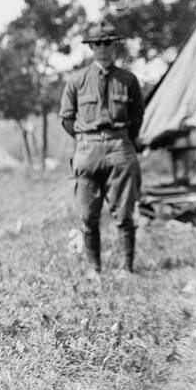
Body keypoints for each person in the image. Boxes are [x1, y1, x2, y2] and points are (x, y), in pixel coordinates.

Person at [59, 18, 145, 276]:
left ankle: (126, 269)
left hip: (120, 147)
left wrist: (122, 140)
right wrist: (85, 141)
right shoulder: (77, 80)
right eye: (96, 43)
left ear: (114, 46)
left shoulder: (128, 80)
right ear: (90, 47)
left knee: (124, 213)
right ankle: (94, 270)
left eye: (107, 43)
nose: (102, 48)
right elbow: (66, 118)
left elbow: (137, 117)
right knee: (87, 215)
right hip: (88, 149)